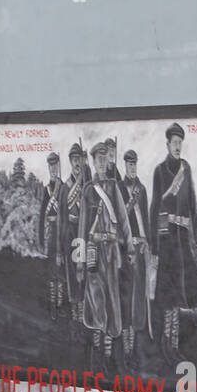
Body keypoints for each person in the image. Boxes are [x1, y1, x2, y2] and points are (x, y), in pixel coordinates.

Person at [150, 122, 197, 362]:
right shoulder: (160, 171)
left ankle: (173, 345)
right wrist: (154, 245)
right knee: (168, 294)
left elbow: (192, 203)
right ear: (167, 145)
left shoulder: (187, 169)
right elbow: (155, 207)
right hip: (166, 239)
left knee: (180, 291)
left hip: (182, 239)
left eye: (180, 143)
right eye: (174, 143)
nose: (177, 147)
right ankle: (167, 344)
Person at [82, 141, 131, 373]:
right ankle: (97, 354)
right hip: (93, 251)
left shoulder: (113, 187)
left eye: (104, 158)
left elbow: (123, 220)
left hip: (111, 253)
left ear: (108, 161)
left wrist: (129, 247)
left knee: (111, 301)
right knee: (96, 302)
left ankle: (109, 354)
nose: (101, 162)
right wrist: (80, 261)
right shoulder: (88, 191)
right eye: (98, 158)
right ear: (93, 161)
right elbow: (82, 228)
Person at [119, 148, 152, 362]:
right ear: (125, 166)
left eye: (135, 164)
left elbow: (146, 221)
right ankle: (126, 346)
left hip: (140, 249)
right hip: (126, 249)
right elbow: (120, 221)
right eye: (129, 164)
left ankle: (136, 345)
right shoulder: (119, 190)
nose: (132, 168)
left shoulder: (142, 189)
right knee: (126, 297)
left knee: (139, 295)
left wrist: (147, 243)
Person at [55, 143, 90, 332]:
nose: (77, 163)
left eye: (80, 159)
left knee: (84, 274)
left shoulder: (87, 183)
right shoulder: (65, 188)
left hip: (84, 234)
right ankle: (75, 317)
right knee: (72, 276)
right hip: (71, 235)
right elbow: (60, 218)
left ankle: (84, 315)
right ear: (70, 162)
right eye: (74, 159)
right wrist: (59, 249)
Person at [38, 153, 64, 319]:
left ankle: (60, 304)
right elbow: (42, 214)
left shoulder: (64, 187)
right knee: (51, 272)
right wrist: (41, 238)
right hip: (50, 234)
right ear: (48, 168)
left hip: (62, 233)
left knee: (61, 271)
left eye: (55, 166)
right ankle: (53, 305)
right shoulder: (47, 190)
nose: (53, 169)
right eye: (51, 167)